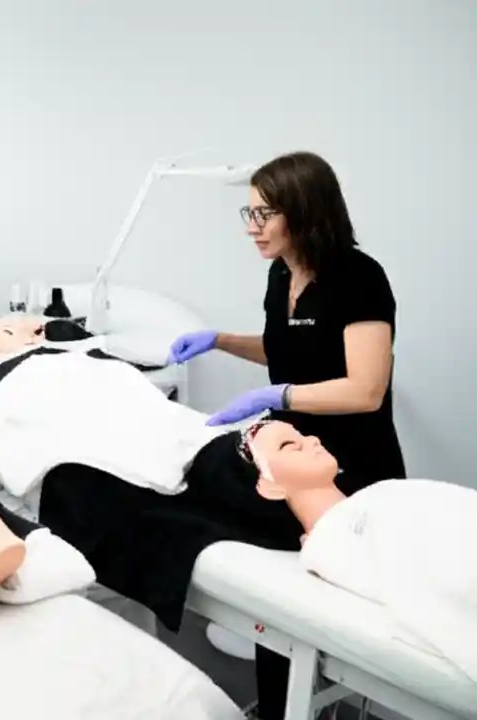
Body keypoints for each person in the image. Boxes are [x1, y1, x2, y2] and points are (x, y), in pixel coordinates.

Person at [166, 151, 405, 719]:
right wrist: (221, 339)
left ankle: (308, 706)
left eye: (264, 214)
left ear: (304, 210)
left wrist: (279, 397)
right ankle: (278, 707)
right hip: (292, 454)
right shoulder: (282, 272)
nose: (253, 228)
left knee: (312, 597)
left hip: (349, 465)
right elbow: (287, 347)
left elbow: (366, 388)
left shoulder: (358, 277)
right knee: (276, 594)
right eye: (247, 214)